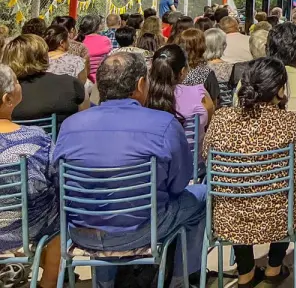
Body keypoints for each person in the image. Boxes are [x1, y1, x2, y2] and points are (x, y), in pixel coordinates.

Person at [53, 53, 207, 287]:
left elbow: (60, 182)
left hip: (82, 231)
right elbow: (180, 183)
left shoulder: (70, 125)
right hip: (143, 230)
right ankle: (181, 279)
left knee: (101, 203)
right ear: (140, 84)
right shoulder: (164, 124)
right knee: (203, 196)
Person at [202, 57, 296, 286]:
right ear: (280, 88)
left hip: (228, 219)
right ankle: (273, 268)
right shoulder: (291, 123)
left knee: (237, 195)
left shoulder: (222, 119)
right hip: (279, 218)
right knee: (293, 188)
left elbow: (206, 157)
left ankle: (246, 272)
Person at [0, 64, 62, 288]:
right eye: (16, 82)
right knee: (61, 213)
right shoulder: (36, 139)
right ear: (8, 99)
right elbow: (58, 178)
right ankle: (48, 283)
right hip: (26, 228)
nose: (20, 85)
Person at [1, 34, 85, 124]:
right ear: (44, 56)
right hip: (59, 136)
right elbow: (83, 118)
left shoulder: (6, 94)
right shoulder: (70, 83)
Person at [146, 44, 215, 140]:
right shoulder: (200, 94)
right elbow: (210, 125)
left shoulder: (143, 96)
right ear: (182, 72)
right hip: (192, 154)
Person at [77, 14, 112, 81]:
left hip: (80, 79)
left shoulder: (77, 39)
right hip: (99, 79)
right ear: (97, 26)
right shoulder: (105, 40)